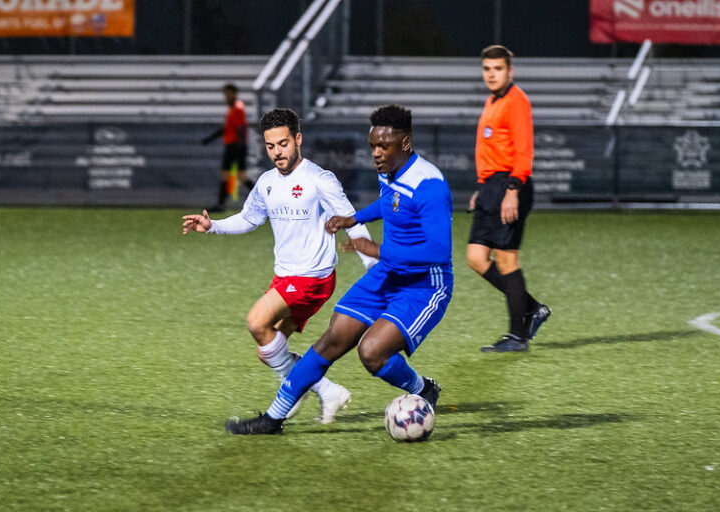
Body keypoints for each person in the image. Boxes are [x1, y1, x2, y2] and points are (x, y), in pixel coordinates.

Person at [225, 104, 453, 435]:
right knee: (331, 340)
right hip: (388, 273)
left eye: (383, 146)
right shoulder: (390, 169)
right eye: (372, 145)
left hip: (425, 285)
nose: (376, 153)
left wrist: (376, 249)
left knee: (372, 352)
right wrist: (356, 218)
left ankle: (422, 389)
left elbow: (438, 250)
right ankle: (273, 419)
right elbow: (391, 203)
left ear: (405, 143)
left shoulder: (430, 185)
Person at [184, 107, 378, 424]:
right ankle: (319, 389)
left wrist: (375, 271)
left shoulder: (319, 179)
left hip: (312, 278)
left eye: (283, 144)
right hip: (285, 278)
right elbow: (249, 219)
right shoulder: (266, 182)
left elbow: (353, 223)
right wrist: (213, 226)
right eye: (271, 146)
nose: (277, 152)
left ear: (298, 139)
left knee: (256, 322)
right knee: (269, 351)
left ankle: (322, 390)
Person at [467, 45, 551, 353]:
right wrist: (483, 189)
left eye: (497, 69)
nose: (491, 74)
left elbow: (523, 150)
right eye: (487, 69)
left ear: (509, 71)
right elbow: (492, 150)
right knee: (476, 258)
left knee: (507, 260)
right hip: (492, 186)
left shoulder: (517, 101)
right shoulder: (492, 101)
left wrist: (512, 190)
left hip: (510, 185)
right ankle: (532, 308)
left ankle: (518, 337)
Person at [201, 83, 253, 211]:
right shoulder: (232, 108)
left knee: (229, 175)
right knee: (240, 176)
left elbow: (241, 128)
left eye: (228, 93)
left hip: (234, 146)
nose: (226, 96)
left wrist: (239, 146)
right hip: (235, 145)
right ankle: (265, 201)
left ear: (234, 93)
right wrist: (211, 138)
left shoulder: (237, 108)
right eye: (225, 94)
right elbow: (226, 128)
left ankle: (220, 204)